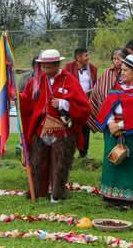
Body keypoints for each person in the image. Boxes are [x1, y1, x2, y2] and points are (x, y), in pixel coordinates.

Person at [19, 49, 90, 202]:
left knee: (60, 163)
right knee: (38, 161)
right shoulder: (36, 81)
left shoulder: (69, 80)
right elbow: (26, 100)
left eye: (48, 66)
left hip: (62, 131)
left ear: (57, 65)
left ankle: (57, 193)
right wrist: (15, 97)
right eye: (43, 66)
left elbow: (84, 107)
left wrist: (64, 103)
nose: (45, 70)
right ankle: (38, 191)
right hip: (40, 129)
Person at [96, 54, 133, 205]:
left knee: (132, 164)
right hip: (113, 131)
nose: (121, 73)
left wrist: (121, 126)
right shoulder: (118, 87)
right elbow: (108, 106)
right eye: (121, 70)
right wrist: (110, 124)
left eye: (125, 70)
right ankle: (110, 194)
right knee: (113, 161)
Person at [64, 48, 99, 158]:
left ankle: (83, 153)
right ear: (78, 58)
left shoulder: (92, 68)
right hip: (73, 102)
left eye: (88, 55)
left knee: (85, 127)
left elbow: (95, 85)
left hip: (86, 103)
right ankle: (69, 152)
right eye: (85, 56)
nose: (88, 58)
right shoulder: (68, 68)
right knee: (72, 127)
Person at [88, 49, 125, 132]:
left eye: (118, 59)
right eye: (114, 59)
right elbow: (99, 89)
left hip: (123, 111)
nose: (116, 61)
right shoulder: (108, 72)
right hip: (108, 110)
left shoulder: (128, 72)